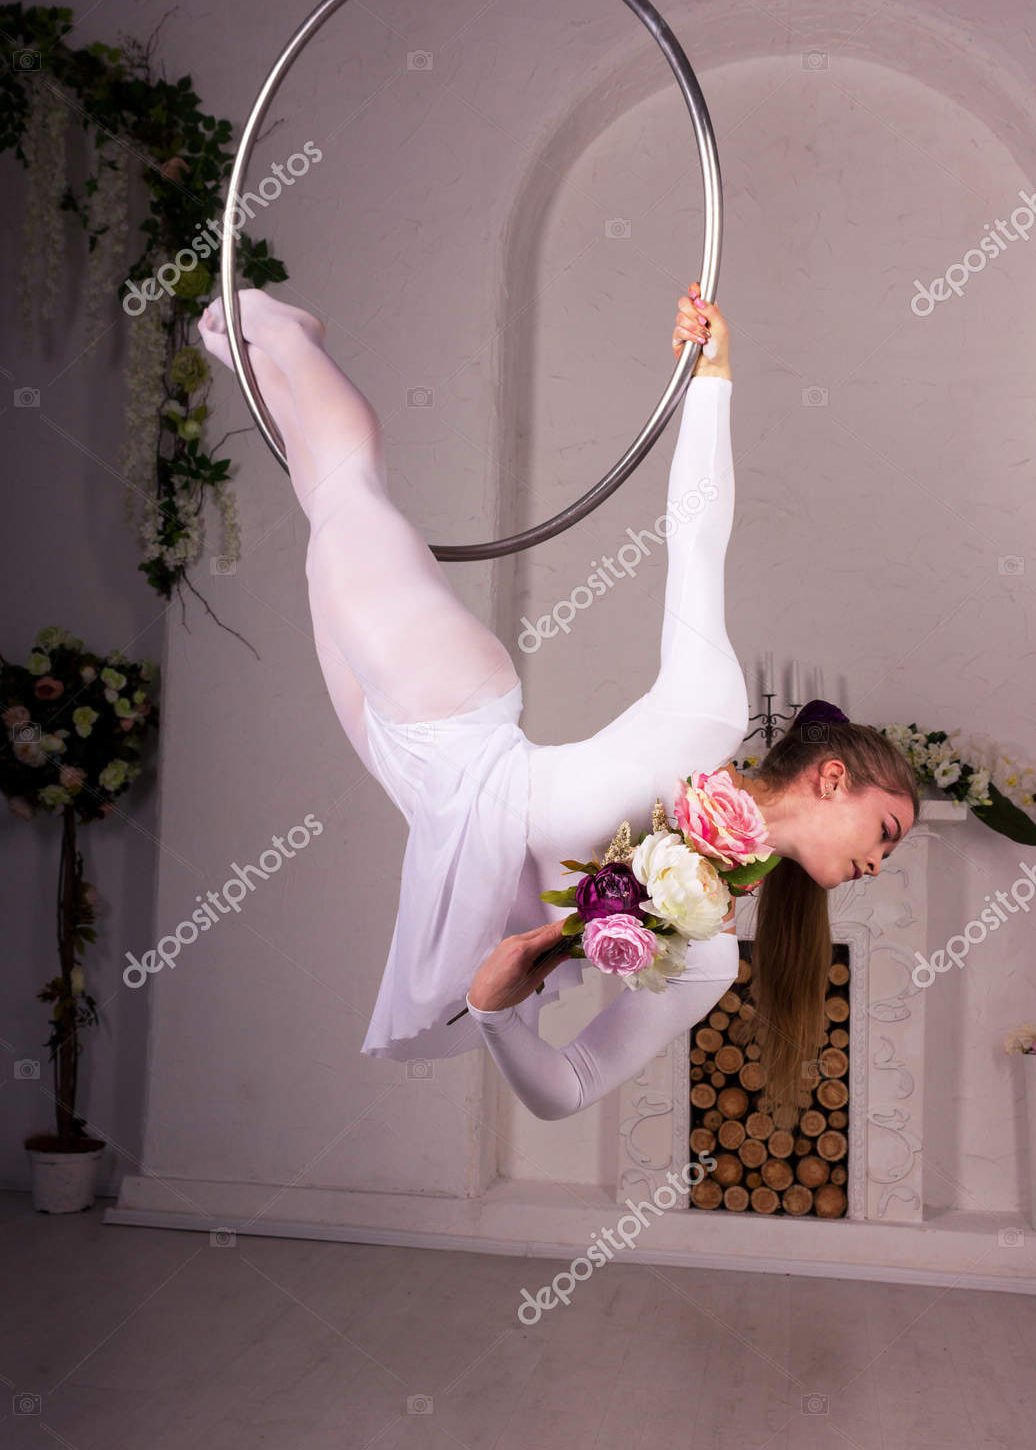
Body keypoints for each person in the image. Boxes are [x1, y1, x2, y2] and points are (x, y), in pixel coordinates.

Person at [198, 284, 920, 1126]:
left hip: (419, 790)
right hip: (451, 711)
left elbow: (568, 1088)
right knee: (348, 497)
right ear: (830, 779)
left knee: (327, 509)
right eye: (886, 832)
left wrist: (496, 1013)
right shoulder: (709, 717)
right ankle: (281, 332)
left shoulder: (708, 956)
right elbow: (696, 539)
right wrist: (712, 377)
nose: (879, 864)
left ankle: (257, 352)